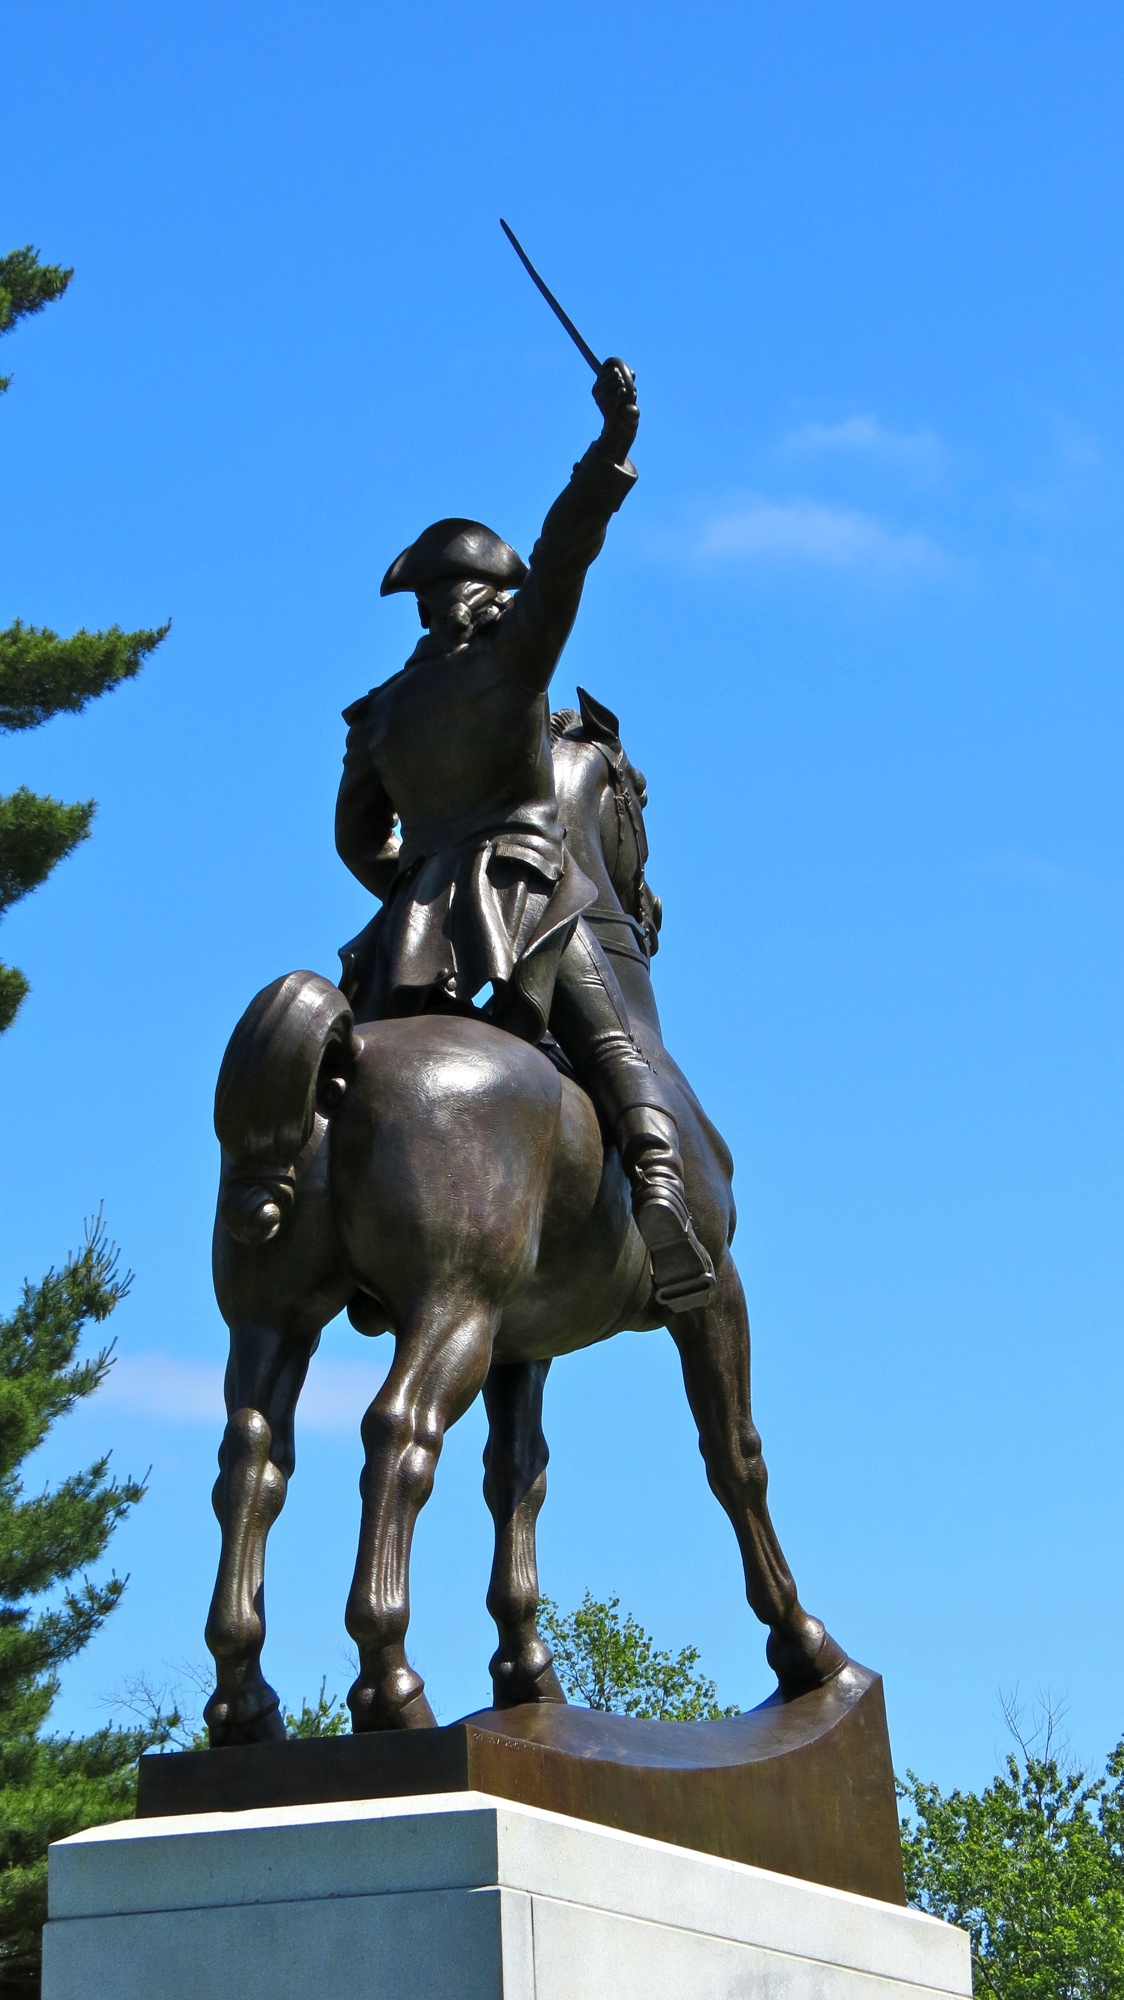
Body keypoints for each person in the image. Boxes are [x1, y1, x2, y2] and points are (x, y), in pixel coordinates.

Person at [334, 358, 714, 1313]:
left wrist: (423, 888)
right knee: (618, 1044)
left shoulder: (378, 716)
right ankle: (663, 1196)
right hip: (531, 897)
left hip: (406, 938)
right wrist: (611, 447)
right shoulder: (509, 671)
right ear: (479, 596)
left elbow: (355, 845)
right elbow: (567, 550)